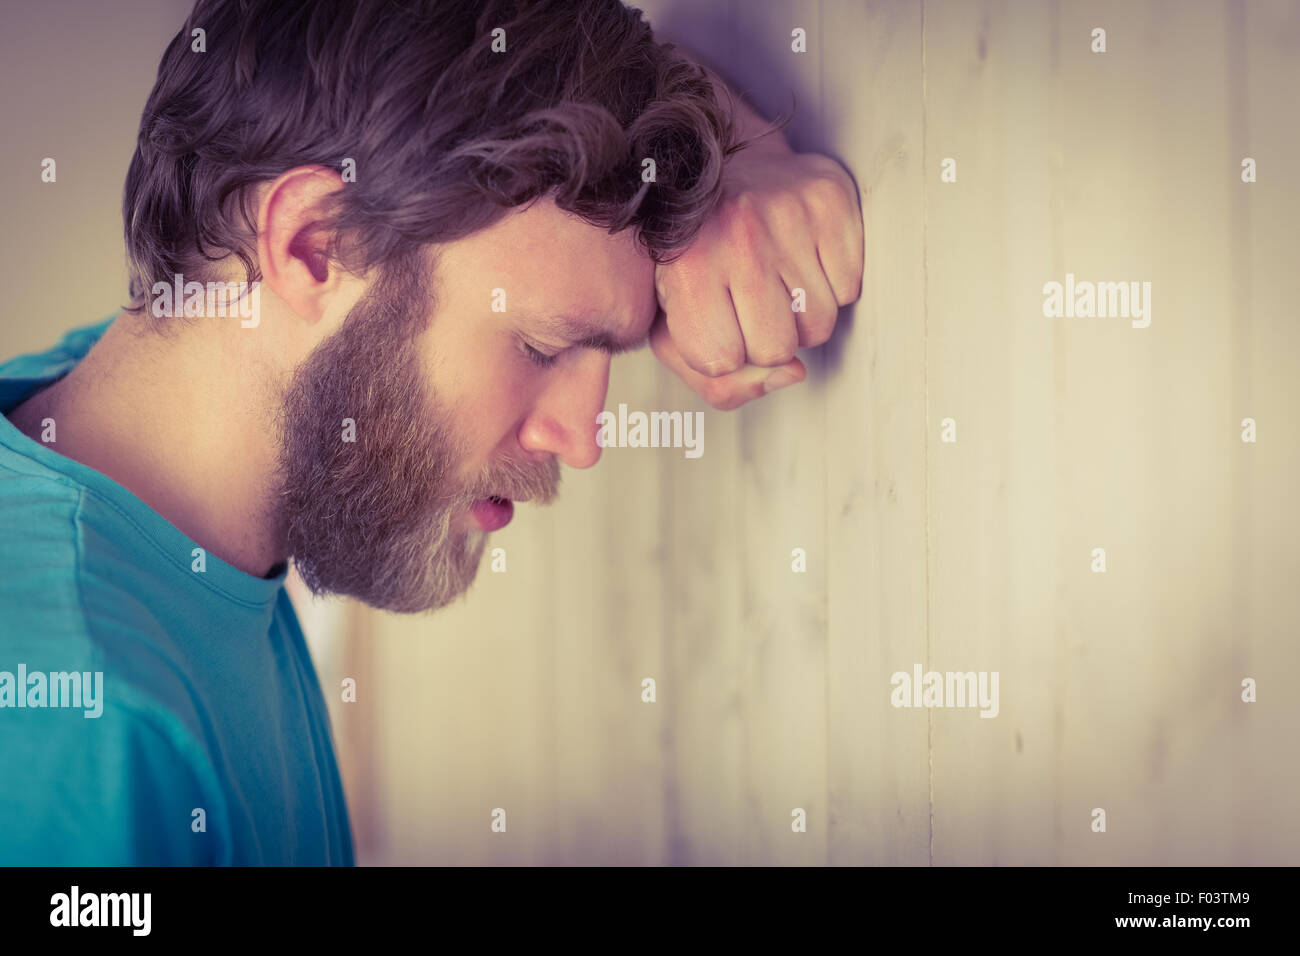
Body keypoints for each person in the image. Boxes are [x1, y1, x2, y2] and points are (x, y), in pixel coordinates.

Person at [0, 0, 863, 864]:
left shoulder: (88, 419)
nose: (582, 438)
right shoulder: (91, 741)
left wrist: (735, 163)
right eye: (541, 346)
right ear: (313, 244)